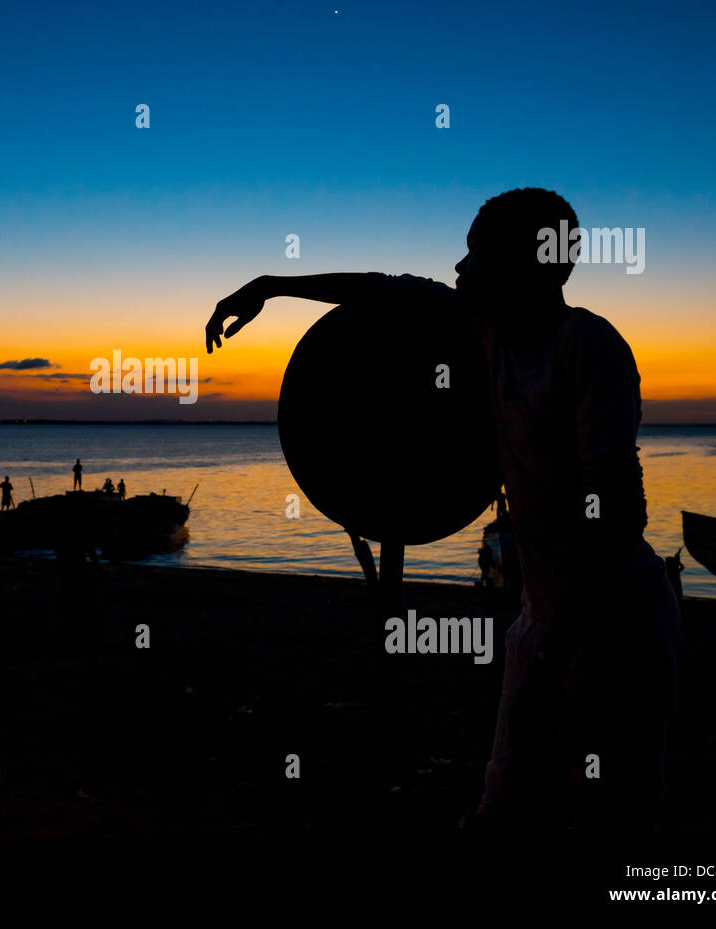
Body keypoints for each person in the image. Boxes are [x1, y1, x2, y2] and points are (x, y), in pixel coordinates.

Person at [203, 188, 682, 839]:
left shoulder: (588, 348)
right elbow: (382, 289)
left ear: (535, 265)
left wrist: (560, 648)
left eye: (477, 254)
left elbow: (617, 514)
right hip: (542, 619)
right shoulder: (489, 335)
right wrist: (270, 285)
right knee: (505, 806)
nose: (460, 270)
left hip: (611, 621)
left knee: (608, 819)